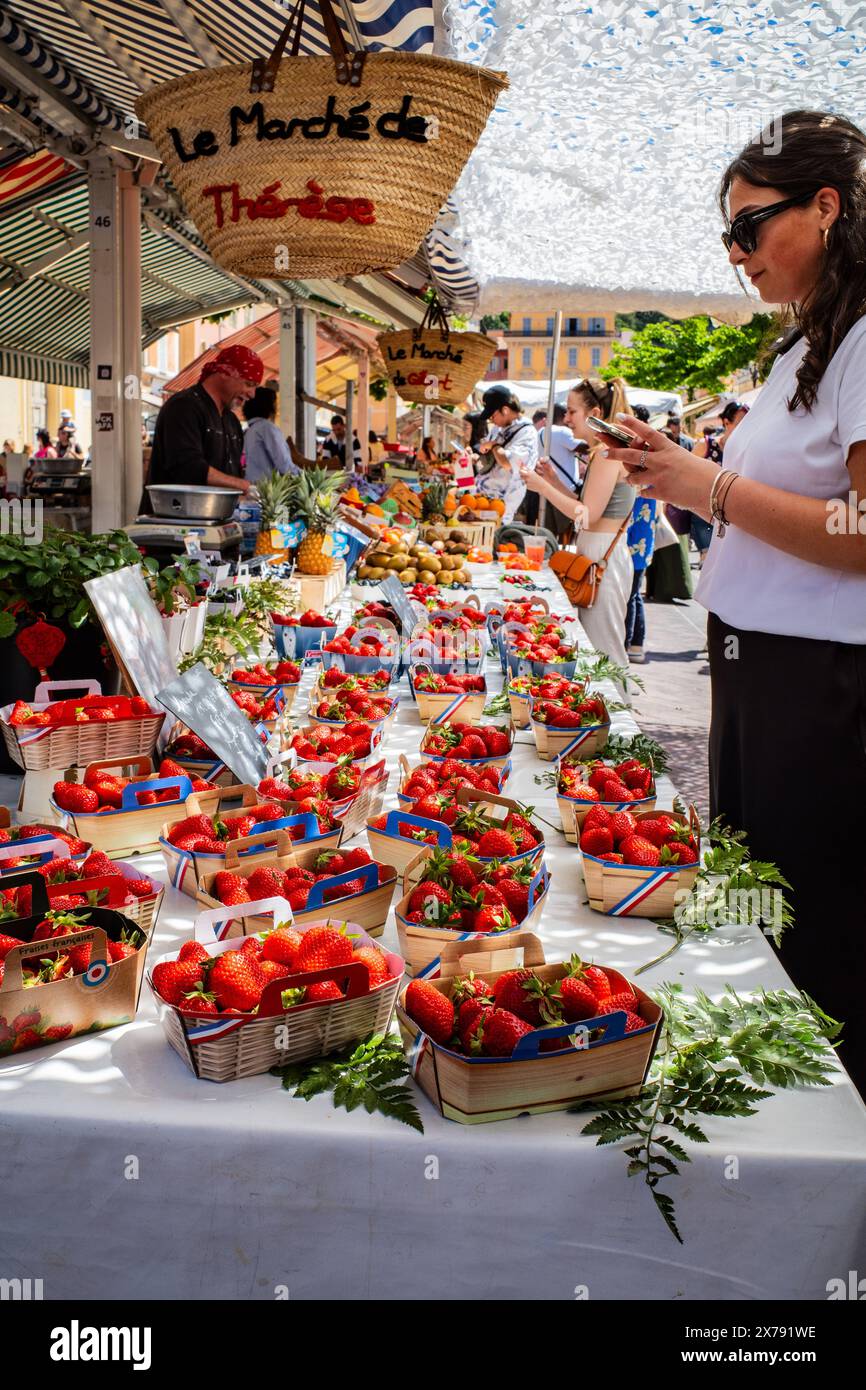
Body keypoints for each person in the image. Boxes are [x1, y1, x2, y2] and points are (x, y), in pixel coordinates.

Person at [598, 109, 866, 1093]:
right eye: (728, 234)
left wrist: (701, 487)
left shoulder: (860, 339)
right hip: (762, 673)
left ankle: (826, 1164)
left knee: (814, 933)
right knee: (761, 912)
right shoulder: (806, 343)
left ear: (825, 206)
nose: (735, 252)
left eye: (749, 227)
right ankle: (785, 1139)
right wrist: (683, 474)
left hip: (820, 688)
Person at [522, 377, 635, 673]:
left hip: (602, 557)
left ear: (594, 414)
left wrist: (543, 489)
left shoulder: (607, 453)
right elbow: (588, 505)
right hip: (600, 554)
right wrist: (553, 481)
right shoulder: (606, 451)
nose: (567, 418)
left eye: (572, 412)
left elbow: (587, 515)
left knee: (605, 652)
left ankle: (618, 713)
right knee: (599, 648)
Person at [144, 343, 262, 505]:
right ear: (225, 373)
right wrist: (244, 486)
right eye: (249, 384)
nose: (252, 394)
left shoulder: (232, 421)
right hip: (175, 521)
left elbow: (232, 474)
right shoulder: (183, 407)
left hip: (218, 520)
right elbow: (187, 467)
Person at [474, 385, 539, 523]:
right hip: (483, 500)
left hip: (501, 507)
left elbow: (508, 463)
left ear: (505, 410)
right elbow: (490, 457)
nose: (491, 420)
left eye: (492, 415)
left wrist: (493, 445)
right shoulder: (499, 428)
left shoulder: (527, 433)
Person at [241, 386, 299, 484]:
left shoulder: (248, 431)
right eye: (274, 403)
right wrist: (307, 477)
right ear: (268, 405)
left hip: (250, 488)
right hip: (266, 492)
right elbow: (284, 464)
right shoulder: (267, 428)